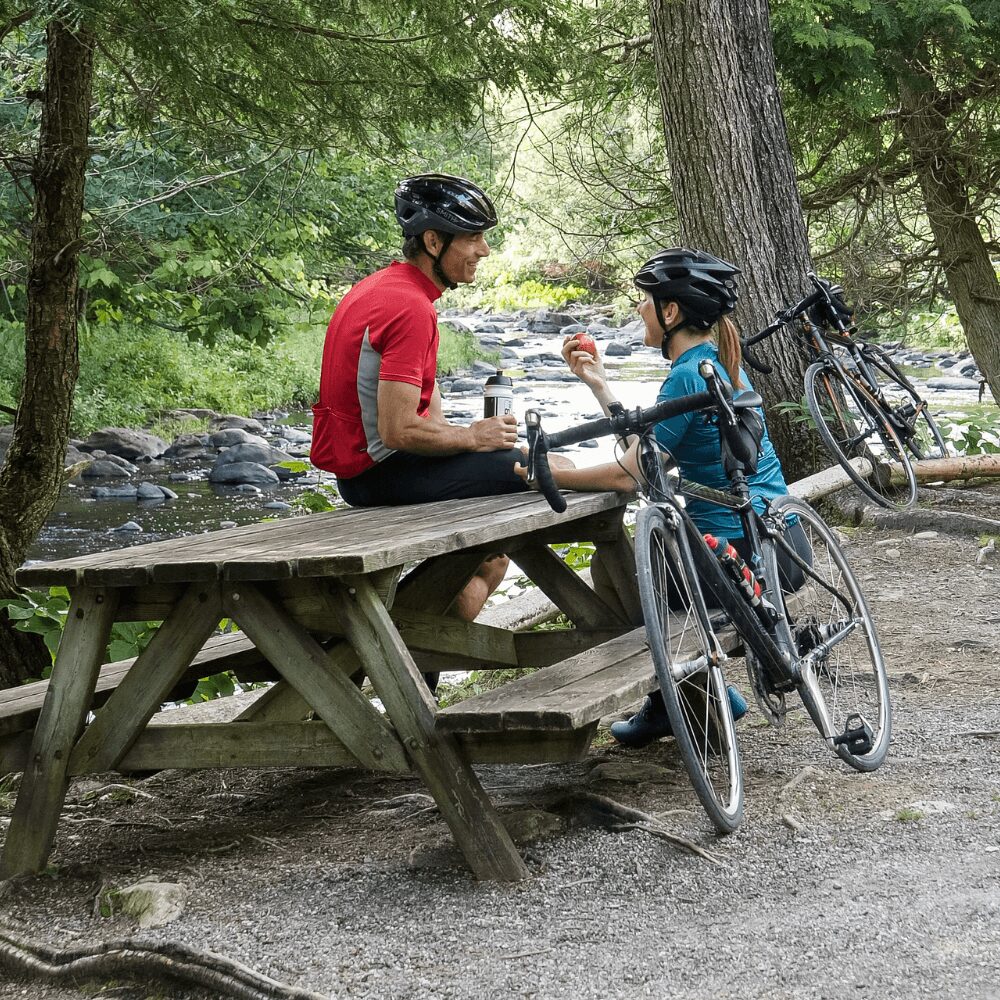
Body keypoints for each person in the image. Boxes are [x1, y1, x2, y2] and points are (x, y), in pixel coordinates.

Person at [517, 247, 811, 747]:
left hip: (731, 559)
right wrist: (599, 385)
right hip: (784, 543)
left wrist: (552, 472)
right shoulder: (720, 364)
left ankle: (683, 698)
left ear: (670, 312)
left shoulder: (683, 376)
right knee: (622, 573)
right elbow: (652, 454)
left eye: (645, 302)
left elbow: (630, 476)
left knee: (613, 575)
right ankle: (693, 695)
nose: (639, 310)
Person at [310, 174, 569, 686]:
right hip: (381, 472)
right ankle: (393, 663)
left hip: (370, 470)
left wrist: (467, 441)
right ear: (434, 241)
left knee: (489, 557)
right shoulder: (408, 308)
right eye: (472, 238)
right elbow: (400, 428)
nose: (484, 250)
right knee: (551, 468)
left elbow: (419, 420)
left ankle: (402, 667)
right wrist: (474, 439)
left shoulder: (383, 289)